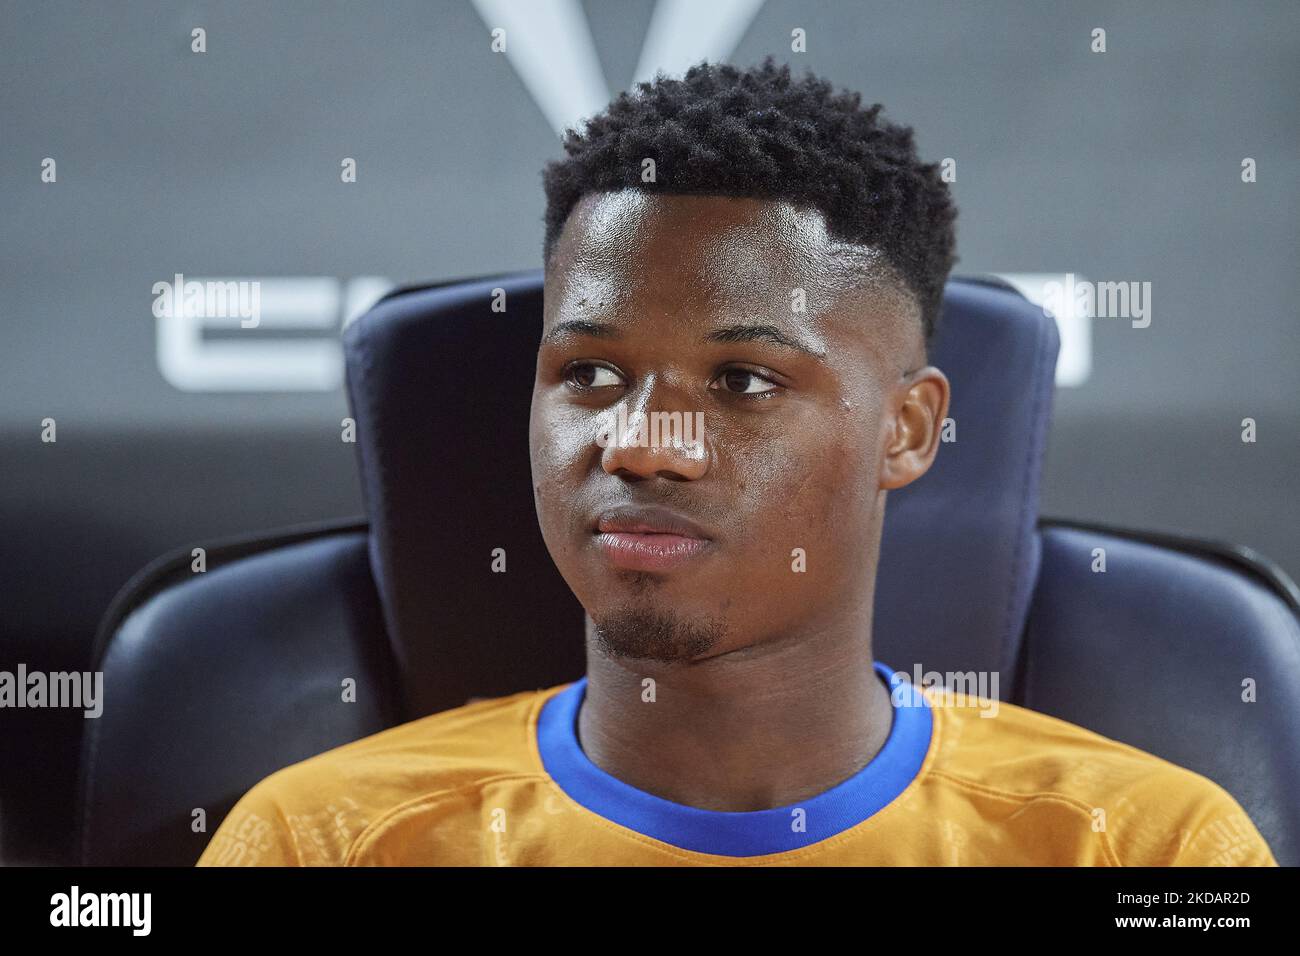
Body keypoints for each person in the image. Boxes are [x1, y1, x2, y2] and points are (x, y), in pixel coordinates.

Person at [197, 57, 1276, 867]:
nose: (637, 442)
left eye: (743, 382)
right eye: (588, 373)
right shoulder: (318, 841)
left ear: (905, 428)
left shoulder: (1149, 852)